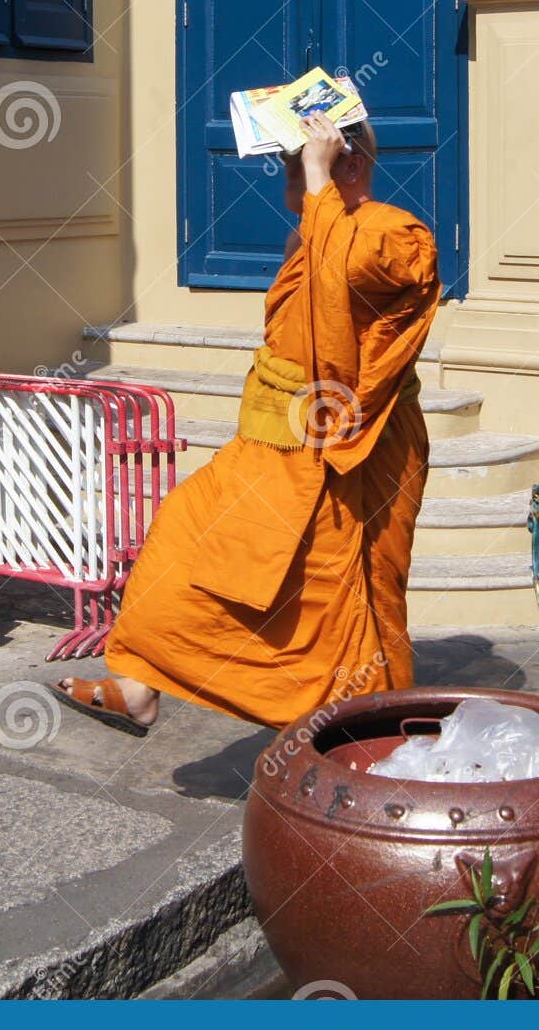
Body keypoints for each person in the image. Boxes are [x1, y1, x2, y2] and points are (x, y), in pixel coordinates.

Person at [55, 112, 440, 734]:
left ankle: (369, 724)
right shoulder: (310, 232)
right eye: (293, 161)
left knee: (339, 587)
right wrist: (319, 186)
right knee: (186, 542)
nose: (289, 173)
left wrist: (320, 175)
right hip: (272, 441)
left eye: (301, 160)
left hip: (349, 445)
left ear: (351, 162)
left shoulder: (395, 233)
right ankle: (141, 682)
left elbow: (351, 270)